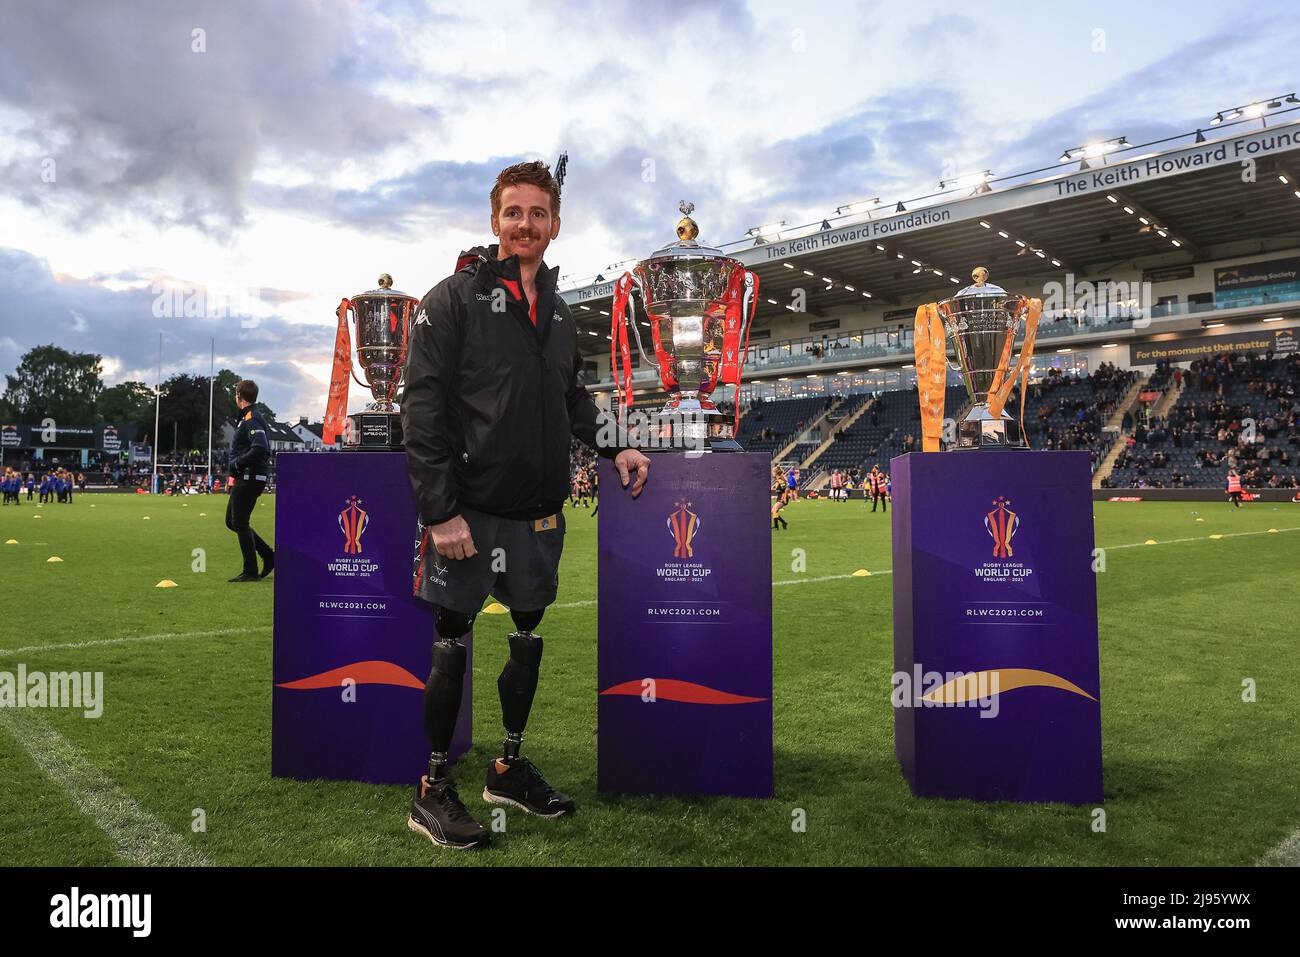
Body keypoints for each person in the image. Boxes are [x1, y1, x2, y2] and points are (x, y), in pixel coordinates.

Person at [402, 159, 650, 851]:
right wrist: (439, 509)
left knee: (528, 634)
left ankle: (507, 766)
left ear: (555, 224)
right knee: (452, 640)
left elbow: (570, 398)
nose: (525, 225)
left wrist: (616, 446)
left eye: (538, 214)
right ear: (494, 220)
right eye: (514, 212)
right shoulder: (452, 299)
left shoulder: (563, 311)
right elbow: (419, 407)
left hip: (538, 509)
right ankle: (432, 789)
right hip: (469, 510)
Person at [225, 379, 276, 582]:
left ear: (239, 395)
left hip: (250, 477)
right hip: (246, 477)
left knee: (239, 522)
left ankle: (251, 570)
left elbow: (261, 447)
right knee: (232, 521)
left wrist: (238, 464)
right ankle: (268, 555)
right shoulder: (247, 417)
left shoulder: (252, 418)